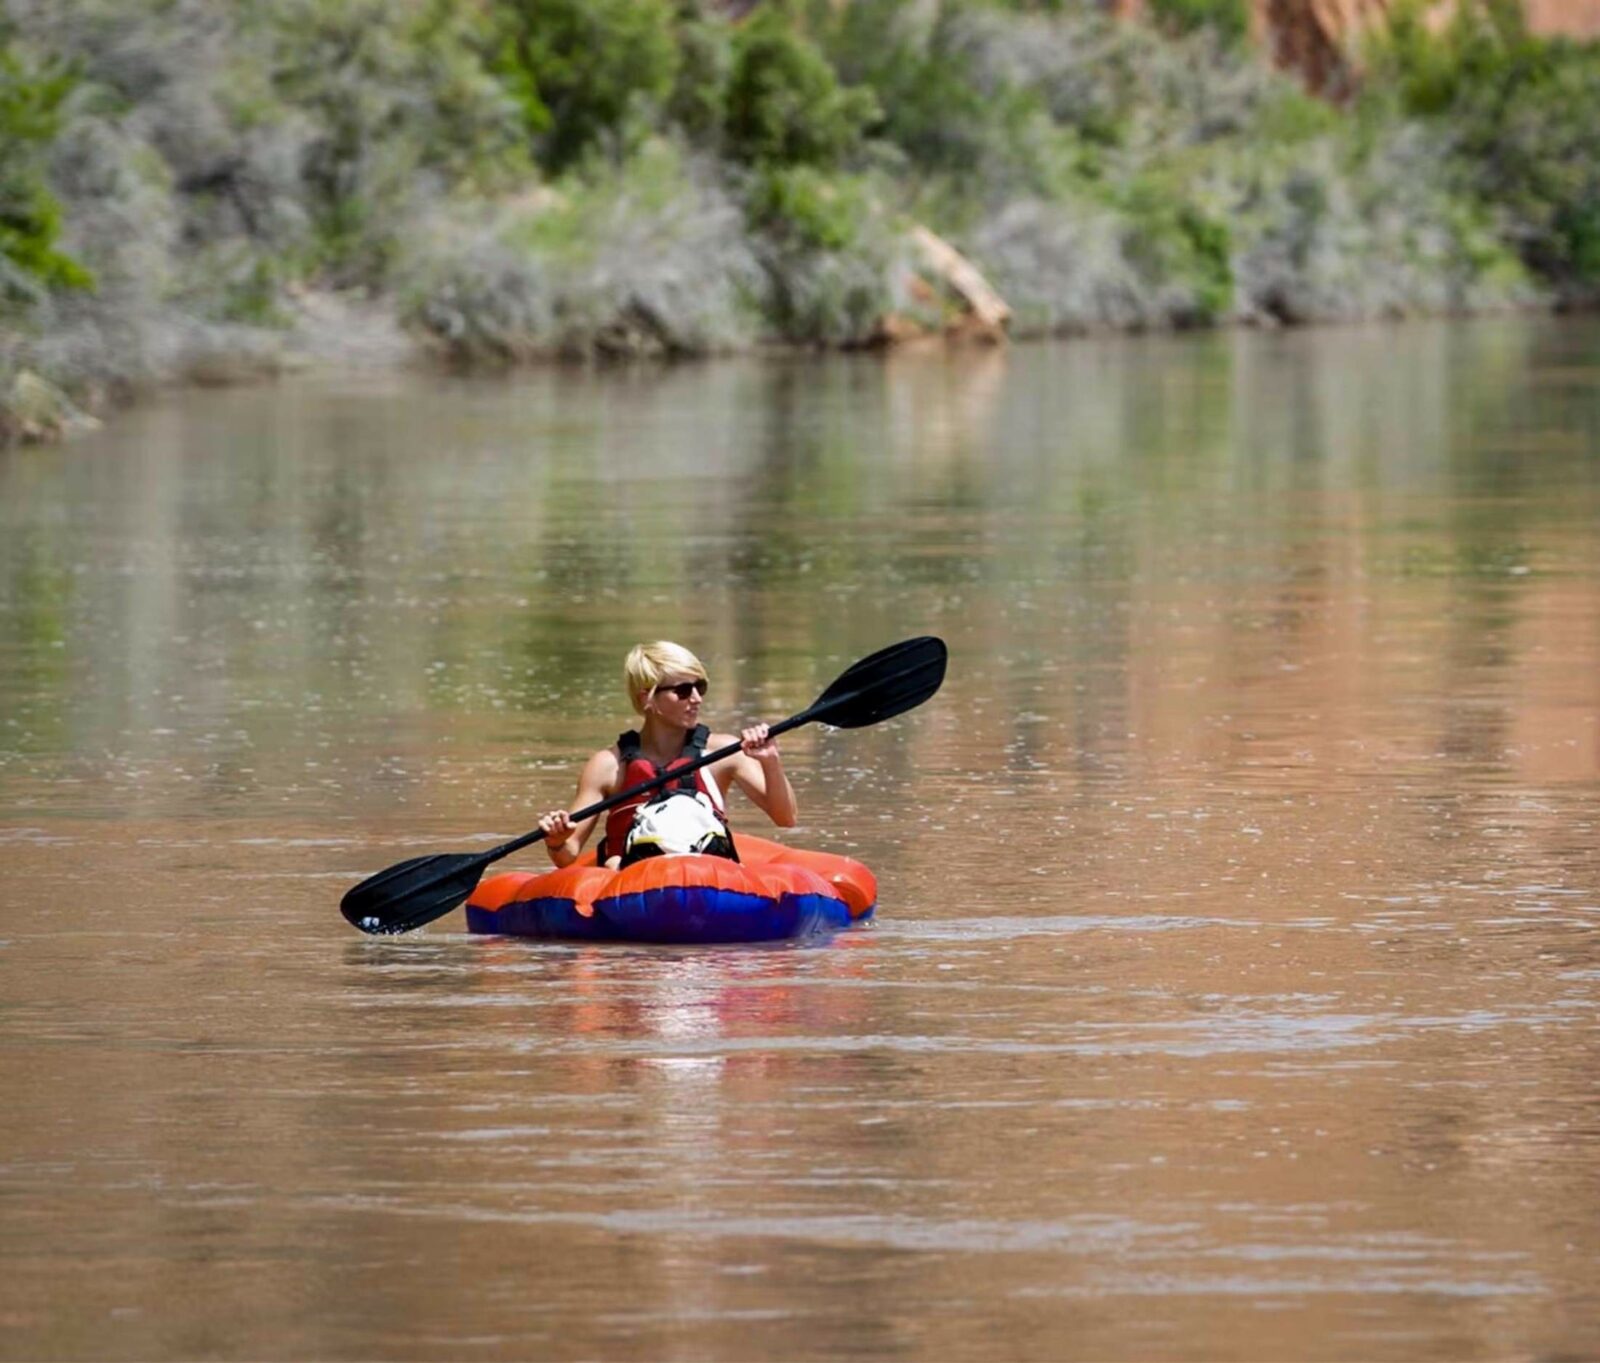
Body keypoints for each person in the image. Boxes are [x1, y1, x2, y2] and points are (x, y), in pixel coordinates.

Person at [536, 641, 797, 869]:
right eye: (682, 691)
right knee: (614, 863)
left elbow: (786, 818)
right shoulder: (609, 765)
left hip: (706, 875)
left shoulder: (723, 753)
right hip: (631, 879)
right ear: (646, 698)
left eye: (700, 687)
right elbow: (567, 855)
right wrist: (557, 841)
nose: (696, 699)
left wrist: (770, 761)